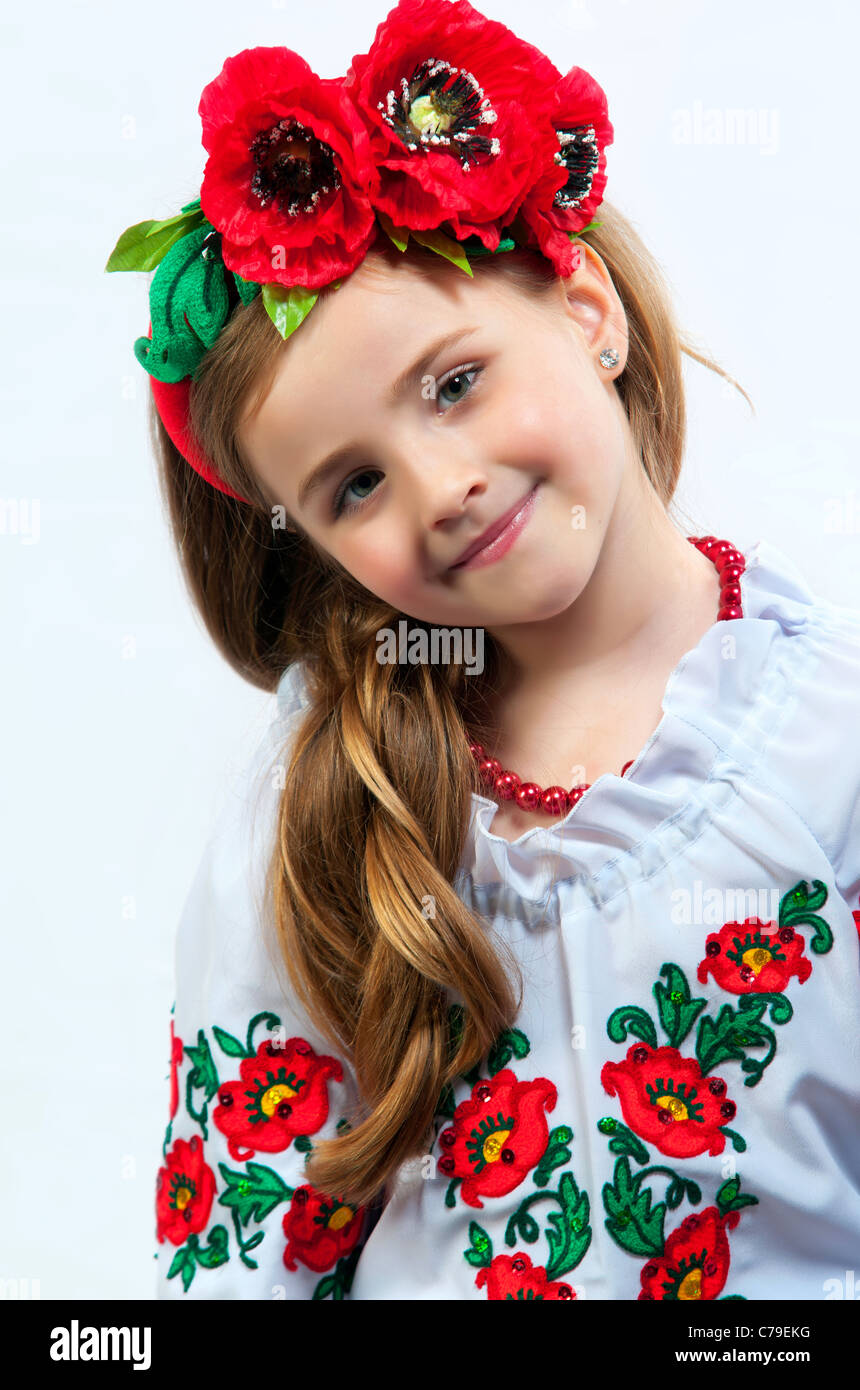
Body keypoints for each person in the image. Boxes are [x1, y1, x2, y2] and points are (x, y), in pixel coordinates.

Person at [108, 0, 860, 1301]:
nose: (441, 486)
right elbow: (239, 1251)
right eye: (352, 485)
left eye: (453, 384)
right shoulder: (334, 796)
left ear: (585, 308)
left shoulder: (829, 750)